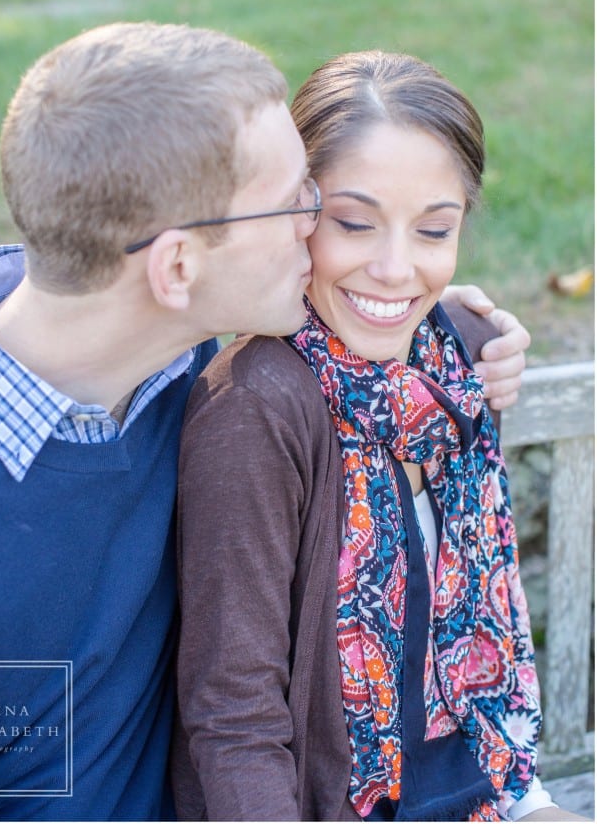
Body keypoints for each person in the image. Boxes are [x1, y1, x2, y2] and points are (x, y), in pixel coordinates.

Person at [0, 22, 528, 823]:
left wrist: (440, 326)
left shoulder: (165, 355)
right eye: (294, 206)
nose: (315, 228)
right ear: (177, 268)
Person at [172, 51, 585, 822]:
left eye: (434, 229)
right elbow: (233, 713)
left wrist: (528, 804)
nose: (396, 269)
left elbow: (469, 658)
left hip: (486, 791)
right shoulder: (257, 409)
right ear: (299, 215)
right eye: (355, 223)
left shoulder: (455, 360)